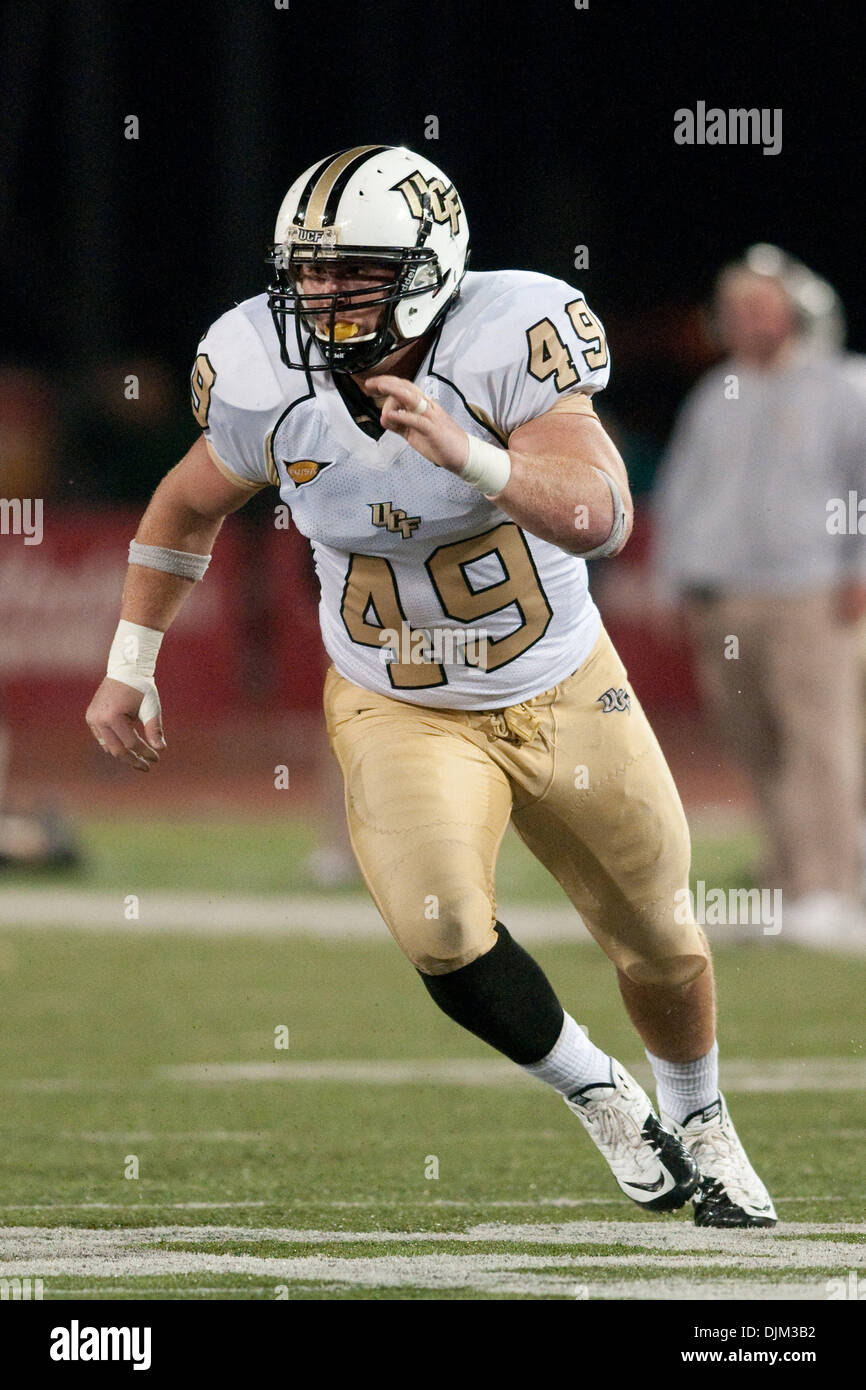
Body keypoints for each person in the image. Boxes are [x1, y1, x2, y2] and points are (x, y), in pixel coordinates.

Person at [86, 145, 775, 1226]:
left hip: (559, 682)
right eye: (306, 272)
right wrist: (131, 664)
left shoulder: (511, 335)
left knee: (661, 941)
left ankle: (701, 1117)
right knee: (440, 928)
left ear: (429, 260)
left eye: (351, 271)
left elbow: (603, 513)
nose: (320, 296)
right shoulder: (262, 369)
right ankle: (596, 1090)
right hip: (396, 701)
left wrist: (473, 456)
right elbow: (182, 508)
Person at [654, 247, 866, 949]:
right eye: (736, 308)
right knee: (755, 744)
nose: (746, 321)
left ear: (797, 311)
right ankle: (786, 879)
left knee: (820, 741)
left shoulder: (843, 385)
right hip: (725, 598)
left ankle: (829, 887)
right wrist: (674, 577)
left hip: (810, 592)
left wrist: (858, 568)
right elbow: (684, 494)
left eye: (761, 306)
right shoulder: (718, 393)